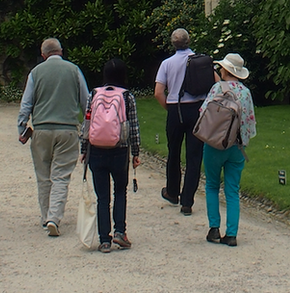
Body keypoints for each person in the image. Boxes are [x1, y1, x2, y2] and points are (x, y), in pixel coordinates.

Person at [17, 37, 89, 236]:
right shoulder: (74, 70)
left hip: (41, 129)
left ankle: (45, 215)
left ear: (43, 55)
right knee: (61, 175)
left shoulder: (35, 73)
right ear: (61, 51)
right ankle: (54, 217)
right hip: (66, 129)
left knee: (43, 175)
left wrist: (22, 128)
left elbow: (26, 104)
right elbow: (86, 102)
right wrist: (87, 129)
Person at [82, 58, 141, 252]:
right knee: (120, 192)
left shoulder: (94, 93)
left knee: (102, 197)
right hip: (120, 149)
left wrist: (84, 148)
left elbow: (87, 123)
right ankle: (120, 232)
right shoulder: (126, 96)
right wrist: (136, 152)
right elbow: (133, 126)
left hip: (97, 149)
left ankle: (104, 240)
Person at [201, 53, 256, 247]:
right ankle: (231, 233)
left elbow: (204, 112)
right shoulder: (245, 93)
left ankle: (214, 228)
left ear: (225, 70)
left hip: (215, 144)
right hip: (235, 146)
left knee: (212, 186)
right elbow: (250, 122)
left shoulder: (217, 88)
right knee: (232, 190)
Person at [154, 28, 205, 215]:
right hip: (196, 109)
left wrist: (170, 109)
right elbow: (215, 82)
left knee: (173, 152)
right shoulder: (201, 60)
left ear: (172, 43)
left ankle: (173, 191)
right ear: (189, 41)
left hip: (176, 107)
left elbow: (158, 92)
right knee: (194, 156)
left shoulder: (167, 64)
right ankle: (187, 201)